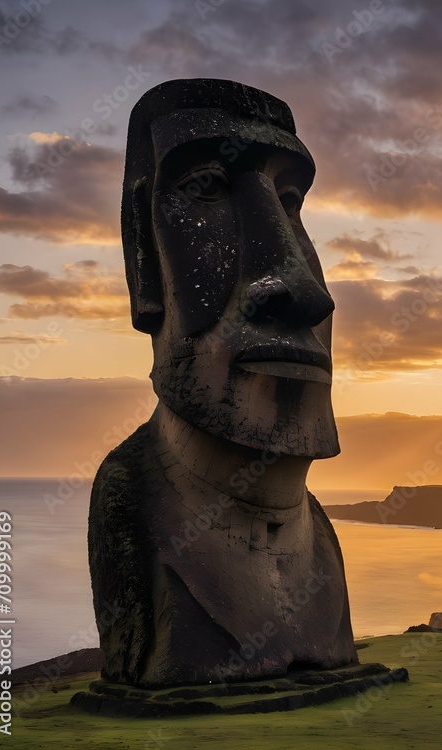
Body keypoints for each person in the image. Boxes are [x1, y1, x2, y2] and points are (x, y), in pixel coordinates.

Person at [89, 79, 357, 687]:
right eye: (206, 187)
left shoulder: (321, 537)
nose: (304, 291)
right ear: (143, 261)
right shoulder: (133, 506)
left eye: (290, 201)